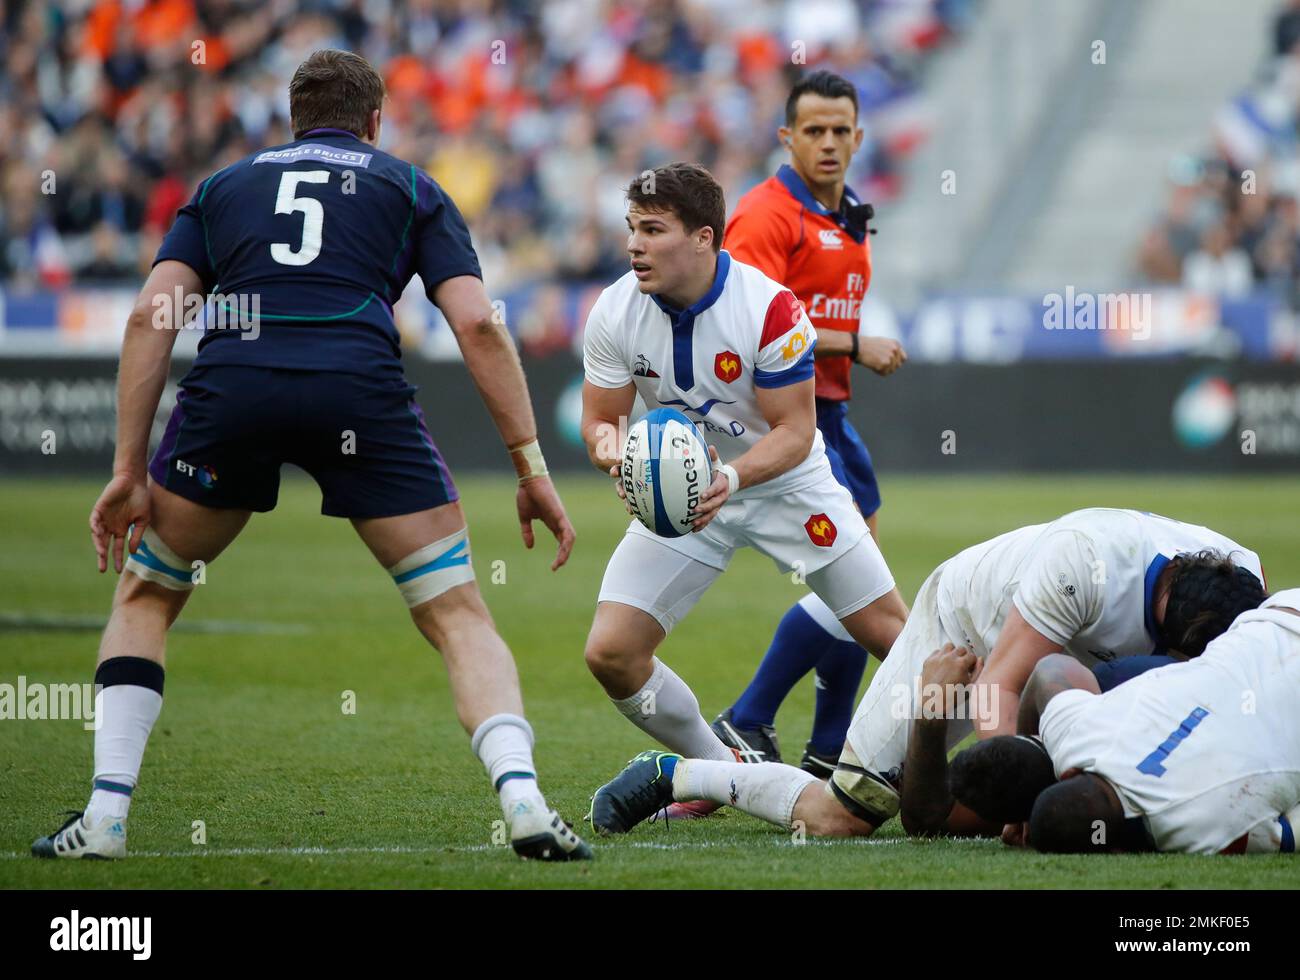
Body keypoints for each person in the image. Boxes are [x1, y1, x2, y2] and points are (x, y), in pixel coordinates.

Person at [32, 49, 590, 862]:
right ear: (374, 121)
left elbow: (153, 317)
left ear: (291, 119)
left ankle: (107, 818)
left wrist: (126, 469)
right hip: (358, 389)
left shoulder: (223, 187)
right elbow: (477, 323)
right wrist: (529, 467)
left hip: (237, 388)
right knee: (457, 612)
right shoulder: (408, 185)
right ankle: (526, 801)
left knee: (147, 593)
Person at [589, 509, 1265, 837]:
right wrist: (1012, 811)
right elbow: (1001, 683)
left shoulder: (1243, 579)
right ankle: (677, 772)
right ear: (1168, 606)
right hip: (970, 631)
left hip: (1070, 662)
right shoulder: (1084, 563)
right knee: (845, 817)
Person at [579, 162, 908, 812]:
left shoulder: (769, 307)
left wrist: (727, 477)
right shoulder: (614, 309)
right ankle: (721, 770)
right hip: (687, 496)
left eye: (652, 229)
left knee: (895, 638)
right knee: (612, 654)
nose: (634, 245)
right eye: (630, 229)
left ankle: (971, 760)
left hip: (788, 483)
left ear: (704, 238)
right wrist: (621, 460)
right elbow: (600, 423)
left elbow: (793, 431)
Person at [711, 70, 907, 777]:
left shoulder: (849, 210)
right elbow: (746, 320)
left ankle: (825, 749)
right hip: (792, 416)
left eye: (840, 131)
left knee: (856, 580)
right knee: (862, 584)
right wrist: (855, 343)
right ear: (786, 137)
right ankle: (752, 717)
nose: (828, 143)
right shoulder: (766, 214)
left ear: (859, 137)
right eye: (813, 131)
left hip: (832, 410)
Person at [1017, 590, 1300, 855]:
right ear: (1067, 774)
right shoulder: (1078, 735)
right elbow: (1049, 668)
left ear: (1112, 850)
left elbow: (1288, 832)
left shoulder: (1206, 831)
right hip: (1277, 613)